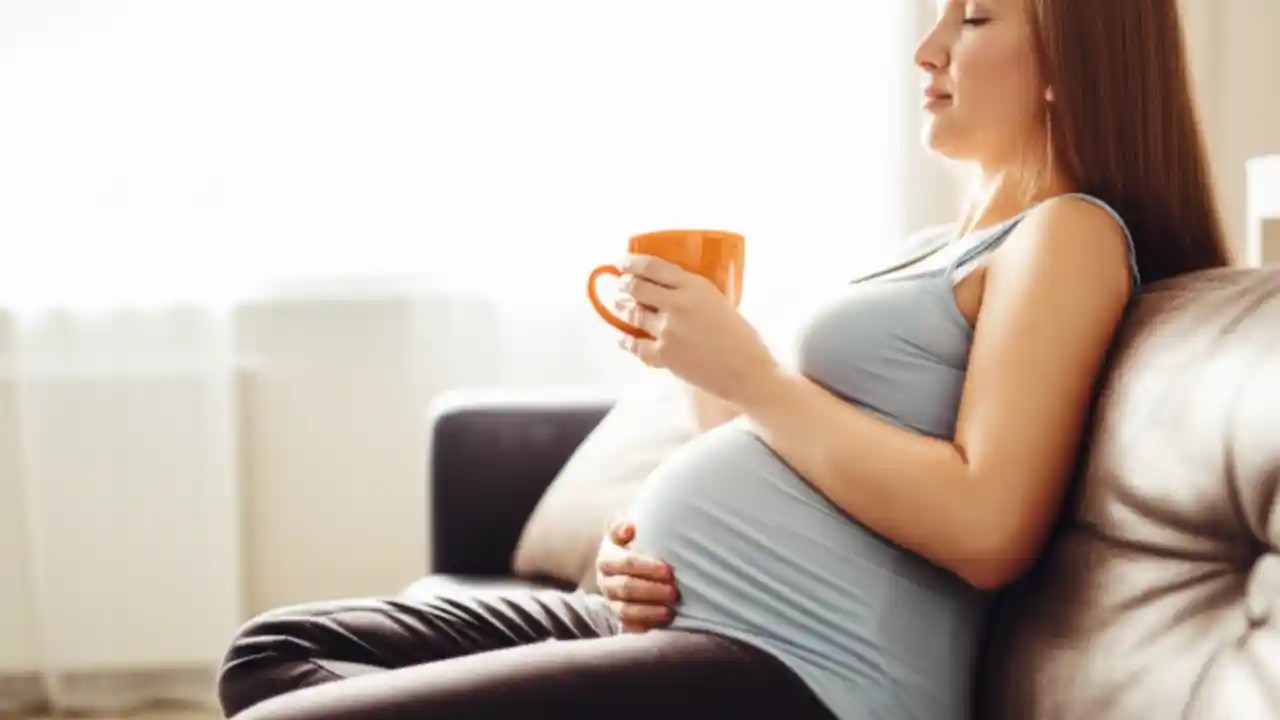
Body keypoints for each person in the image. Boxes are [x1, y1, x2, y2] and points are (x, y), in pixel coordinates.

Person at [216, 1, 1232, 718]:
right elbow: (786, 451)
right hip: (686, 627)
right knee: (276, 655)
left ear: (1069, 51)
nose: (927, 48)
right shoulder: (937, 243)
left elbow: (984, 524)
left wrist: (750, 373)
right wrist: (665, 486)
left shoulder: (1067, 235)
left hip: (812, 673)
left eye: (971, 17)